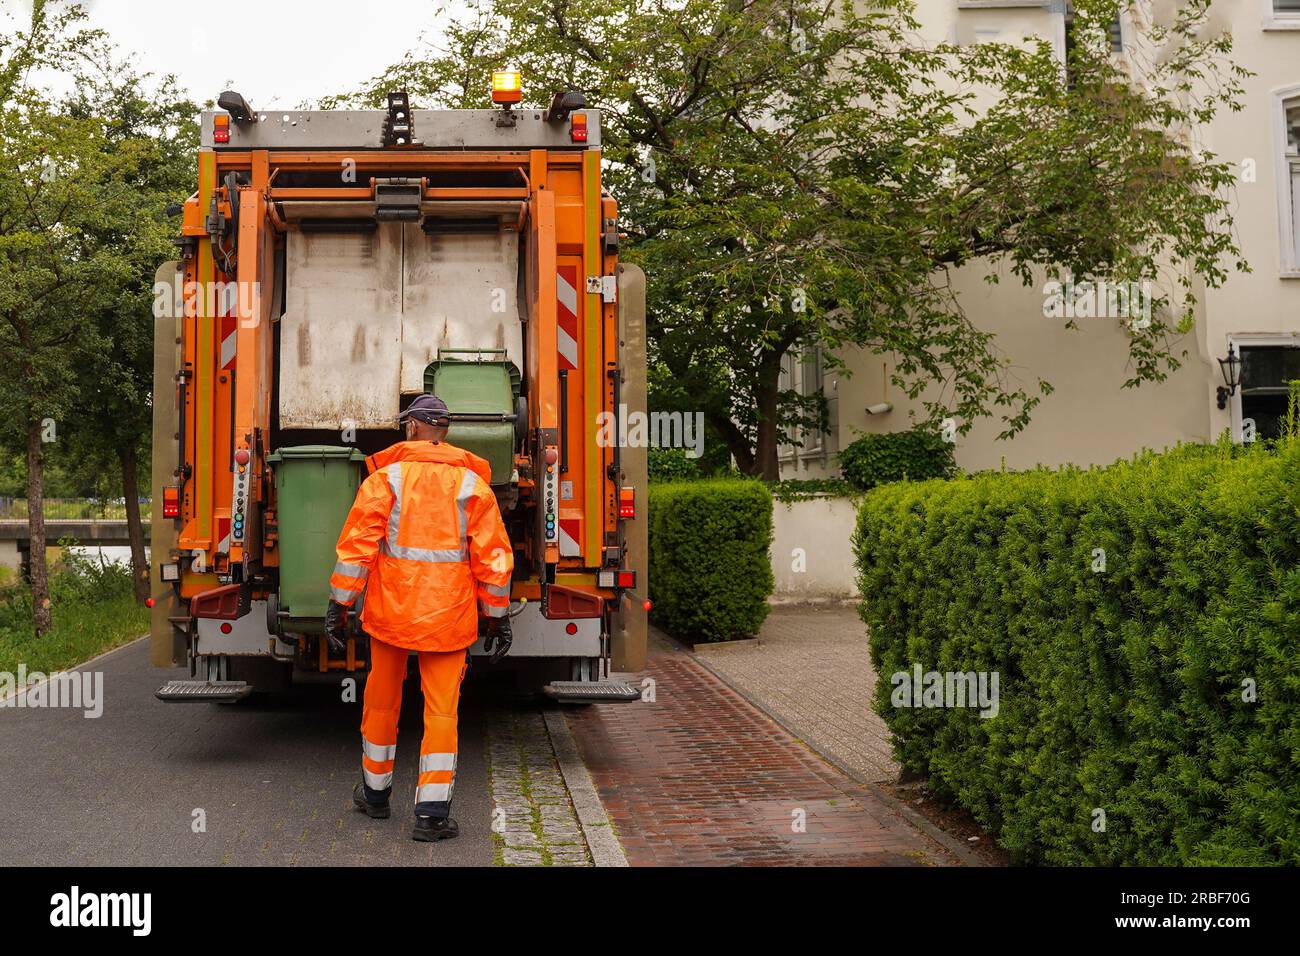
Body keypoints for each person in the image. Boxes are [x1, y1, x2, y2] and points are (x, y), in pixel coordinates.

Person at [325, 394, 514, 841]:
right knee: (442, 712)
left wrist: (339, 604)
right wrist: (498, 615)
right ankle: (430, 815)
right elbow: (494, 559)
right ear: (443, 432)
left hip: (392, 614)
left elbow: (358, 549)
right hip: (448, 618)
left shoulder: (385, 479)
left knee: (382, 702)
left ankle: (374, 796)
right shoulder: (474, 486)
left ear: (411, 428)